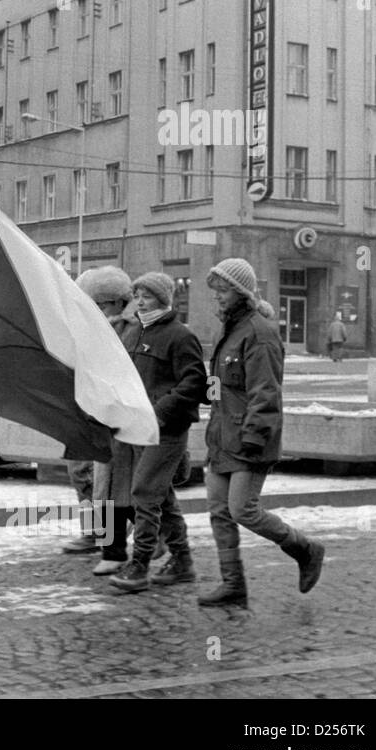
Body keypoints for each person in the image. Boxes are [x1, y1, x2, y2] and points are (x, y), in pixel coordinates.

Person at [200, 258, 326, 608]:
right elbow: (221, 386)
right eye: (216, 292)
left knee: (243, 509)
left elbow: (265, 392)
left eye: (223, 291)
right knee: (218, 510)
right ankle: (233, 584)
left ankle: (306, 549)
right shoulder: (228, 330)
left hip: (249, 439)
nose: (218, 298)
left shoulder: (260, 333)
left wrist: (254, 439)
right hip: (222, 437)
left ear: (241, 293)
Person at [106, 272, 206, 592]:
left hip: (167, 430)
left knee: (144, 492)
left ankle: (140, 563)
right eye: (137, 295)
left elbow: (194, 384)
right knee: (162, 498)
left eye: (146, 296)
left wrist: (160, 411)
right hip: (138, 429)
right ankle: (183, 560)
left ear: (163, 299)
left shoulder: (181, 336)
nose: (140, 301)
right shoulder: (134, 332)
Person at [62, 266, 135, 569]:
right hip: (85, 412)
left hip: (111, 417)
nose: (95, 311)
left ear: (117, 302)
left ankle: (120, 535)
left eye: (100, 305)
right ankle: (94, 531)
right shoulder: (89, 327)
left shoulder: (130, 330)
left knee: (111, 482)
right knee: (80, 473)